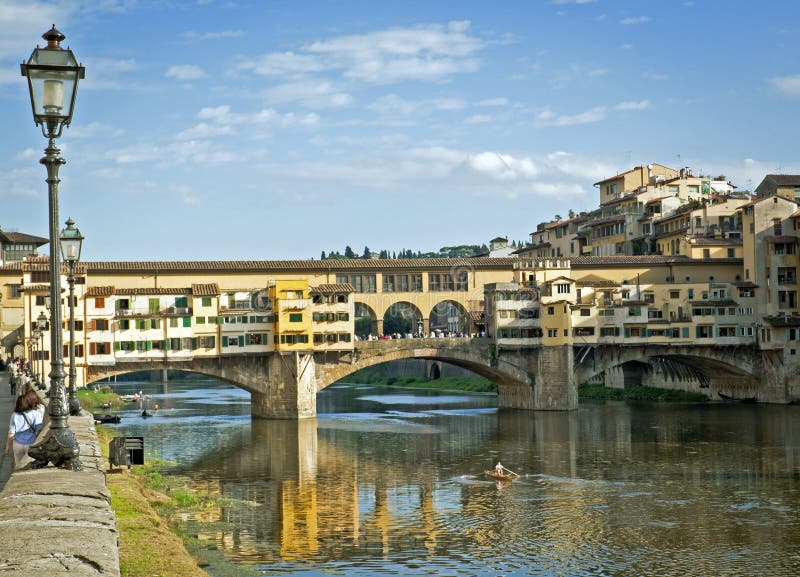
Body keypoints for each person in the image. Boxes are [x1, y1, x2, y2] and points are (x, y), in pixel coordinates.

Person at [4, 388, 45, 469]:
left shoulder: (14, 415)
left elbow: (11, 433)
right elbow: (39, 429)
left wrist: (7, 446)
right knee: (30, 466)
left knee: (18, 466)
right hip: (31, 443)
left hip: (17, 444)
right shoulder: (35, 414)